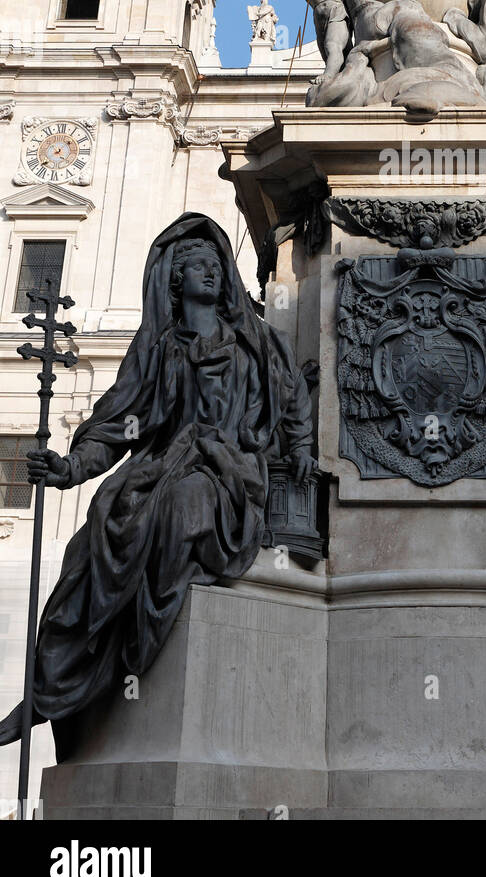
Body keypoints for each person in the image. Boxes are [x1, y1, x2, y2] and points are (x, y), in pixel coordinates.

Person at [0, 213, 315, 753]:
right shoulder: (158, 349)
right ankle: (53, 687)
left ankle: (142, 643)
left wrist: (303, 446)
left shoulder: (255, 342)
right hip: (163, 462)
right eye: (198, 265)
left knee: (182, 509)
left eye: (217, 265)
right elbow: (119, 426)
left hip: (231, 471)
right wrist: (71, 469)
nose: (212, 273)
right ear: (176, 278)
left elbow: (292, 403)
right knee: (97, 532)